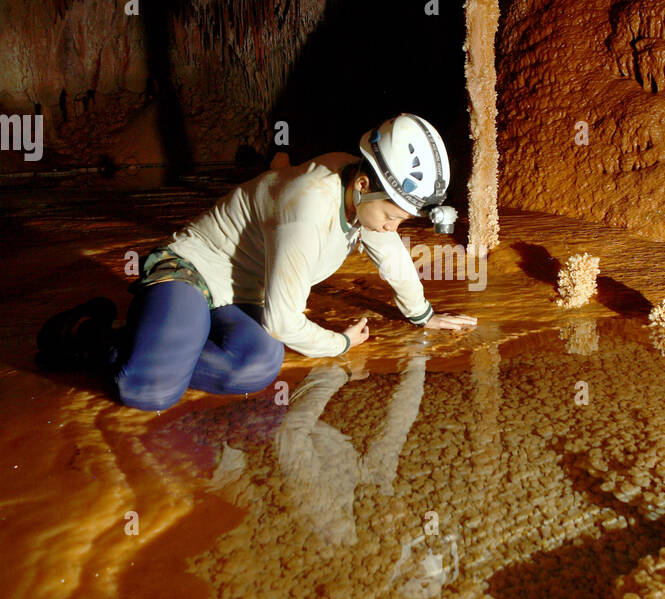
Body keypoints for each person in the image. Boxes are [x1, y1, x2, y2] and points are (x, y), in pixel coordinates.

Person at [36, 114, 477, 412]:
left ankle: (168, 339)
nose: (390, 229)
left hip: (241, 298)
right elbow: (285, 322)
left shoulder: (361, 193)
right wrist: (339, 344)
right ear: (364, 185)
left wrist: (423, 315)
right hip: (192, 275)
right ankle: (97, 336)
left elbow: (392, 255)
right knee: (145, 389)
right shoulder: (307, 205)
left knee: (259, 365)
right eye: (392, 216)